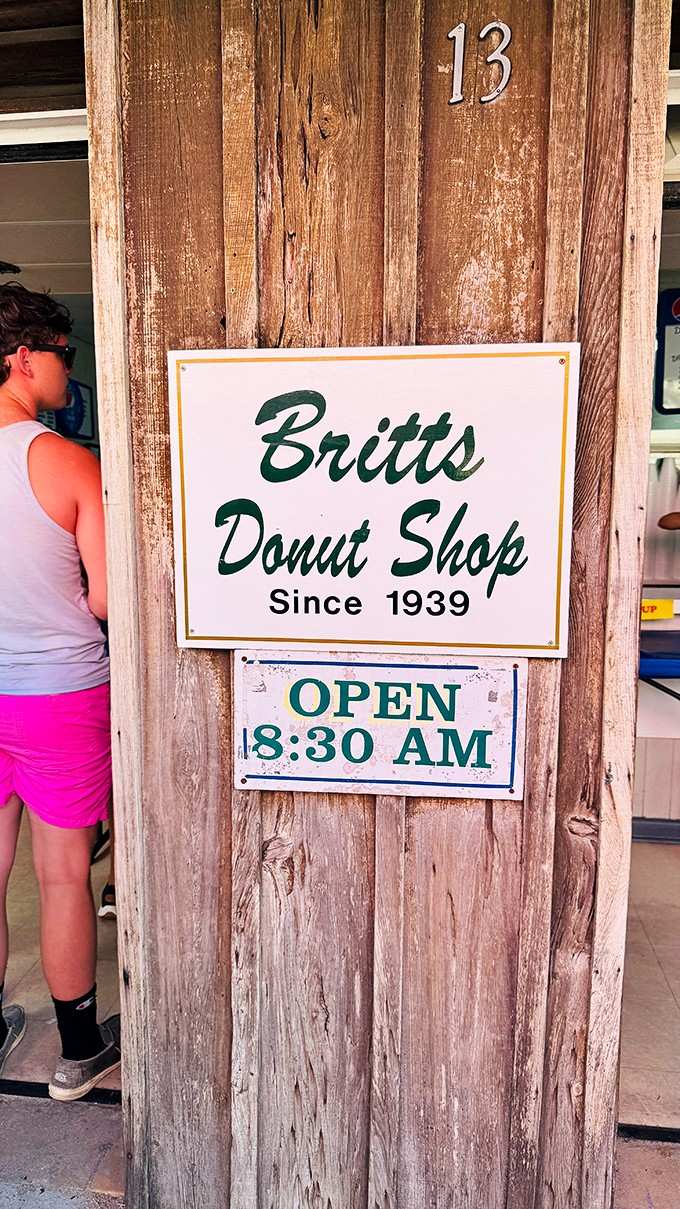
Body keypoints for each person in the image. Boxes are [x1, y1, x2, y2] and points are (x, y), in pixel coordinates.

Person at [0, 281, 120, 1100]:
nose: (66, 369)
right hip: (60, 691)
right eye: (62, 353)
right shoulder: (69, 462)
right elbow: (109, 598)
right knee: (61, 872)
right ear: (22, 358)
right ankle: (79, 1048)